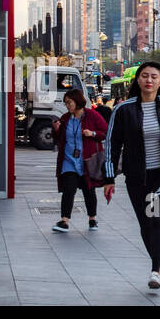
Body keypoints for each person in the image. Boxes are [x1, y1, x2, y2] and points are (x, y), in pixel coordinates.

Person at [101, 61, 160, 289]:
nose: (149, 80)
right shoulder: (124, 110)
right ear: (138, 80)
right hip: (136, 177)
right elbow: (112, 145)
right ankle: (158, 261)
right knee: (145, 223)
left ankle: (155, 270)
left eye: (154, 76)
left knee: (155, 218)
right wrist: (109, 177)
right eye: (145, 76)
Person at [51, 88, 107, 232]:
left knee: (89, 190)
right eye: (66, 103)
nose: (68, 106)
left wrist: (92, 133)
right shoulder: (65, 118)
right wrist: (56, 129)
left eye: (69, 102)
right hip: (69, 160)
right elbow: (58, 138)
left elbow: (105, 132)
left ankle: (92, 219)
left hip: (87, 160)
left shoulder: (92, 116)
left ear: (77, 101)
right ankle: (64, 221)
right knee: (68, 189)